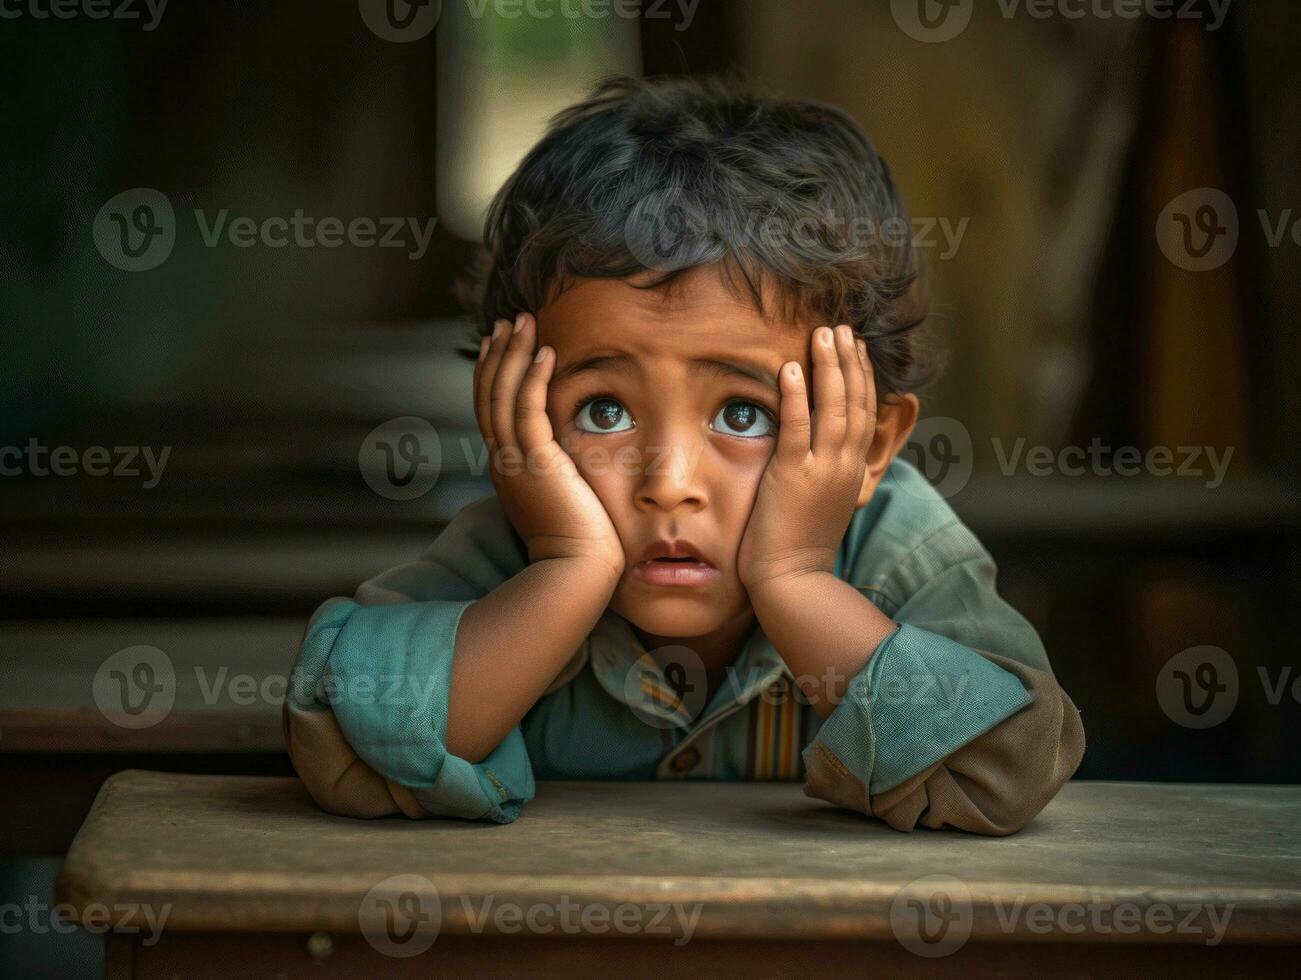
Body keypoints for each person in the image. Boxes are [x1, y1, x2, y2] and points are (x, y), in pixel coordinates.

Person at [284, 75, 1085, 835]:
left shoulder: (894, 549)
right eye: (603, 411)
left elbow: (1007, 765)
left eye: (743, 413)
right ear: (517, 422)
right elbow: (345, 742)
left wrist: (797, 578)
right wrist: (563, 566)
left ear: (870, 443)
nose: (667, 483)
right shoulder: (510, 548)